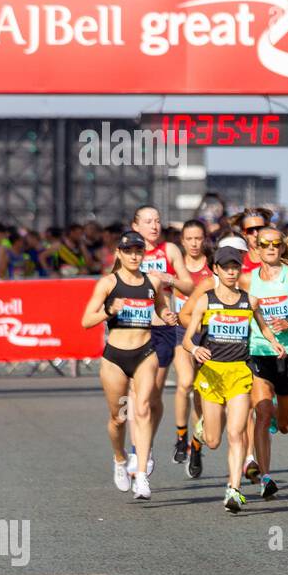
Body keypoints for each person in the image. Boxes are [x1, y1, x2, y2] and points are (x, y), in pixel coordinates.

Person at [181, 246, 286, 513]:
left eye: (235, 267)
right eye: (225, 267)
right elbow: (187, 338)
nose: (230, 272)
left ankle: (234, 489)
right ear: (215, 269)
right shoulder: (206, 300)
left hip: (239, 372)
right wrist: (195, 349)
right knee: (214, 440)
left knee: (237, 433)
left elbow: (262, 326)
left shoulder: (249, 301)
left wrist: (274, 343)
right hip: (212, 374)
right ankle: (200, 429)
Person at [80, 230, 177, 499]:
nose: (134, 256)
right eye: (129, 251)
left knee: (143, 409)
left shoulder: (152, 282)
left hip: (146, 353)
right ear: (119, 254)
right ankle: (120, 459)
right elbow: (86, 321)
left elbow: (159, 307)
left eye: (138, 251)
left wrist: (166, 315)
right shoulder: (108, 283)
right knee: (118, 418)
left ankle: (142, 474)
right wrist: (110, 310)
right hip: (115, 358)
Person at [240, 226, 288, 498]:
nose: (271, 248)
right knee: (261, 413)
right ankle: (266, 477)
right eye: (265, 244)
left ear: (282, 247)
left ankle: (276, 415)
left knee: (283, 425)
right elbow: (228, 304)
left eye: (276, 243)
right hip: (260, 351)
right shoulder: (247, 280)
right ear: (257, 248)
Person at [132, 206, 196, 479]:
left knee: (153, 397)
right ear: (136, 226)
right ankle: (137, 453)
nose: (154, 226)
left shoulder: (169, 250)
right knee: (139, 398)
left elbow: (190, 286)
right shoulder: (128, 251)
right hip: (133, 329)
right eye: (148, 222)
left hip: (162, 329)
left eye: (157, 221)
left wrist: (167, 278)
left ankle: (145, 445)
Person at [171, 219, 212, 478]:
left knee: (200, 392)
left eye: (198, 238)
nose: (195, 243)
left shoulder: (213, 266)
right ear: (182, 241)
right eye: (189, 239)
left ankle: (196, 446)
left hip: (208, 333)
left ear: (204, 239)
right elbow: (157, 292)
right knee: (185, 382)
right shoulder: (177, 267)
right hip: (180, 330)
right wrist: (162, 309)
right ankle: (180, 437)